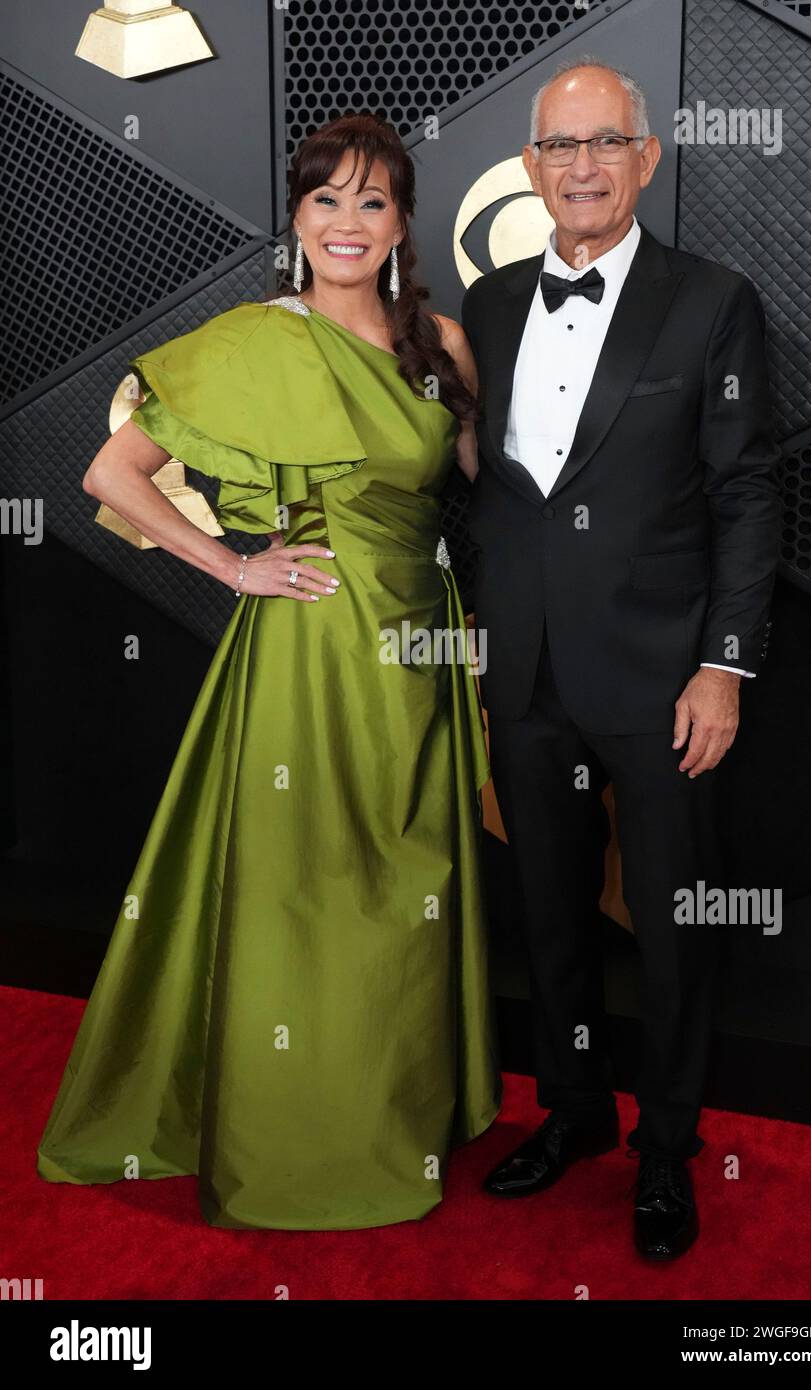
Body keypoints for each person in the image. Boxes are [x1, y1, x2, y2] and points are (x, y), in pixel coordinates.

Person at [37, 113, 502, 1231]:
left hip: (422, 643)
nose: (347, 222)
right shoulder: (254, 337)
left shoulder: (440, 342)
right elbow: (111, 469)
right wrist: (232, 565)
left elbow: (478, 491)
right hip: (312, 643)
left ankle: (392, 1108)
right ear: (295, 216)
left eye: (371, 201)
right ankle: (294, 1135)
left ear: (401, 223)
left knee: (408, 889)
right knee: (313, 893)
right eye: (325, 199)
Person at [461, 57, 782, 1259]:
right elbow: (484, 491)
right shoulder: (485, 306)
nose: (580, 166)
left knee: (668, 923)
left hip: (662, 682)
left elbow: (747, 495)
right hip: (525, 676)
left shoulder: (712, 301)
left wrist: (724, 667)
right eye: (558, 147)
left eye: (604, 144)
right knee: (546, 914)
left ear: (646, 158)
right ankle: (575, 1114)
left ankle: (666, 1150)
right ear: (530, 167)